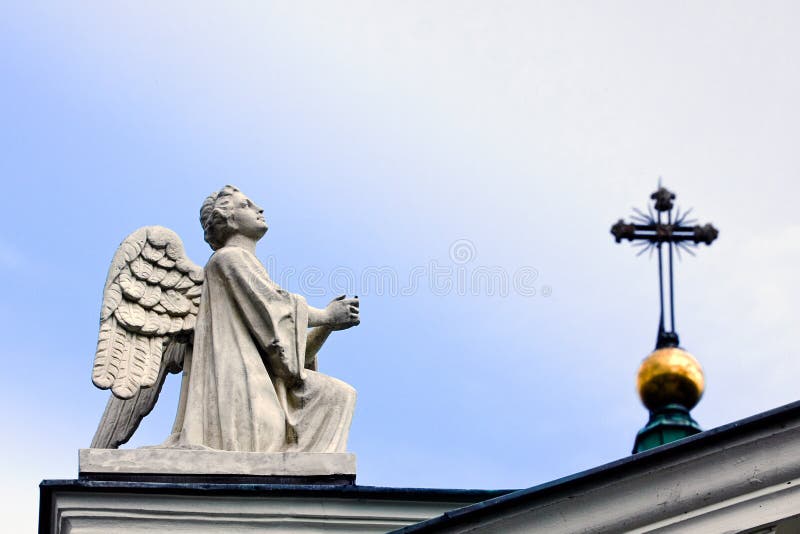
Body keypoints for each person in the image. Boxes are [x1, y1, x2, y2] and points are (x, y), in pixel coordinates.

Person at [176, 185, 359, 452]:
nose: (259, 209)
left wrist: (328, 325)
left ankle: (308, 483)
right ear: (228, 219)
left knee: (337, 396)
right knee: (334, 397)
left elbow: (289, 355)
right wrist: (325, 315)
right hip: (240, 381)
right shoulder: (227, 260)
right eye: (246, 205)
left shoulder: (246, 264)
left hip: (265, 376)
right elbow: (275, 308)